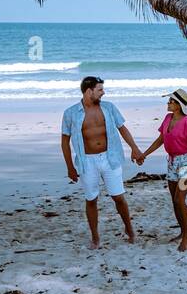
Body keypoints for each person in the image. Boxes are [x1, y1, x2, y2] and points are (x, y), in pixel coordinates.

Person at [61, 76, 143, 248]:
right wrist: (70, 167)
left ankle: (130, 230)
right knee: (91, 199)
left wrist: (134, 148)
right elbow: (65, 141)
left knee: (118, 197)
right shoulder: (70, 113)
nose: (103, 92)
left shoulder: (109, 108)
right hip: (86, 161)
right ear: (88, 91)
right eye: (99, 89)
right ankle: (95, 237)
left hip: (109, 158)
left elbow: (122, 128)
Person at [136, 87, 187, 252]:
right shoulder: (167, 118)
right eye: (169, 100)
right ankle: (182, 231)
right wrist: (144, 154)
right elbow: (160, 140)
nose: (168, 103)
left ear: (179, 105)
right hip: (171, 162)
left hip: (186, 162)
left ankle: (186, 236)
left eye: (171, 101)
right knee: (174, 201)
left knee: (180, 200)